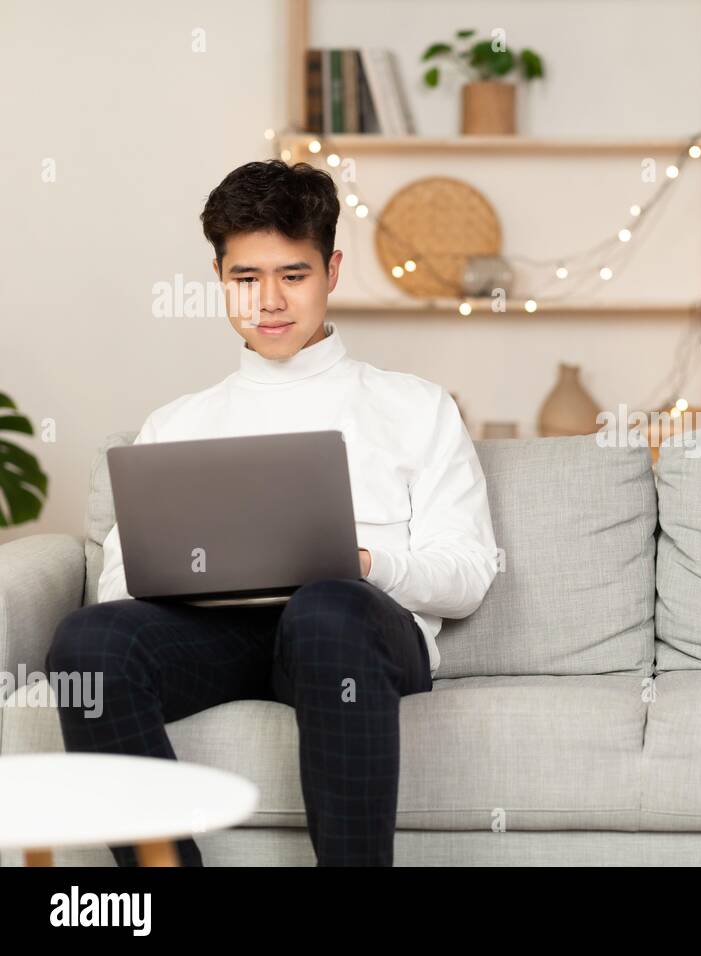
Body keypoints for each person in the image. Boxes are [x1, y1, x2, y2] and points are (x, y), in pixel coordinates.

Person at [47, 159, 499, 866]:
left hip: (353, 637)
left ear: (333, 271)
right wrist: (185, 576)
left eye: (293, 276)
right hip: (221, 638)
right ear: (221, 280)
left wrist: (363, 565)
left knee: (326, 606)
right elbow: (117, 585)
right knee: (88, 642)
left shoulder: (415, 407)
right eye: (245, 279)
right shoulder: (177, 422)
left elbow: (469, 573)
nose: (270, 303)